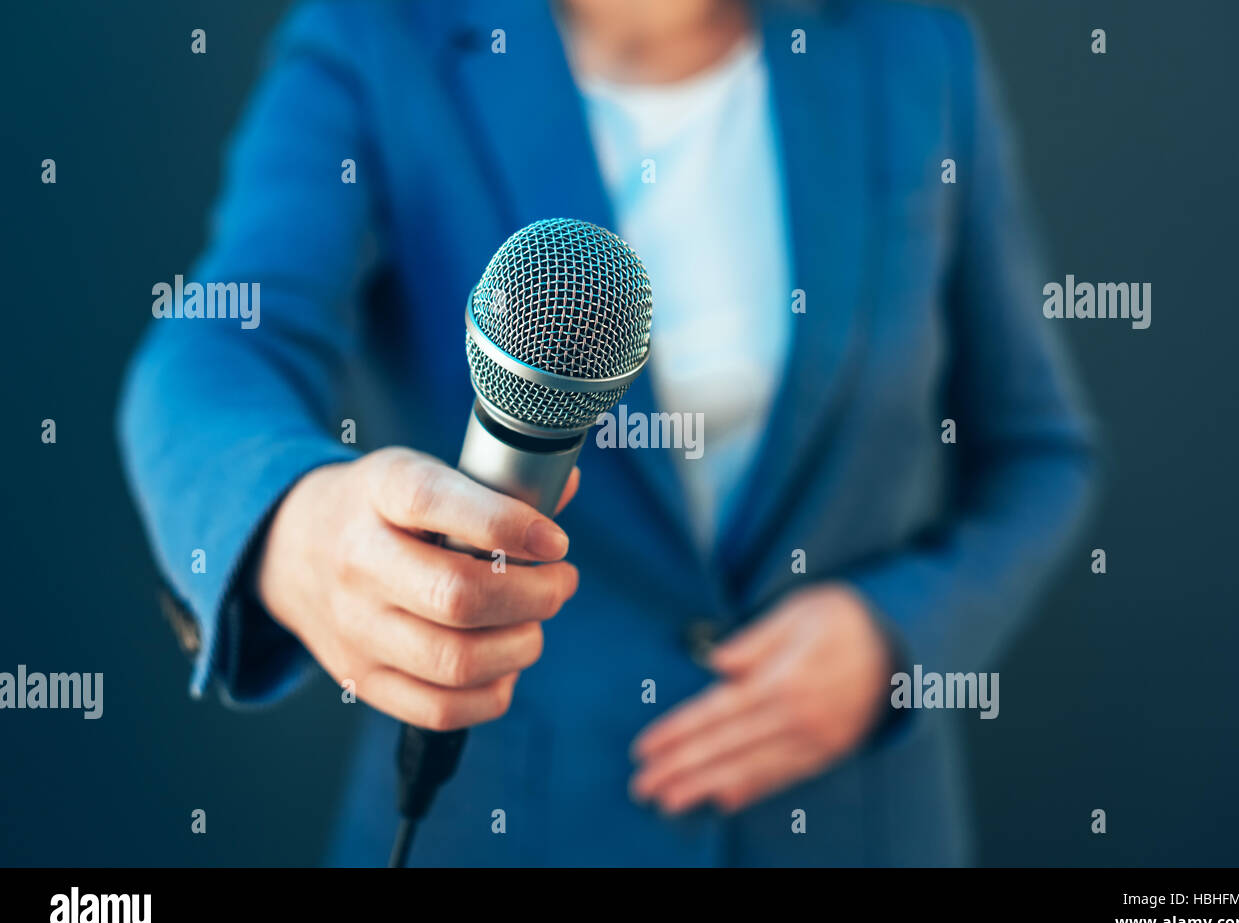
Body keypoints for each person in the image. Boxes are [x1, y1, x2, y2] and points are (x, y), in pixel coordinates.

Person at [118, 0, 1097, 866]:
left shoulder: (915, 54)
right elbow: (214, 349)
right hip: (501, 819)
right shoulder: (378, 39)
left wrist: (900, 639)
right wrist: (291, 523)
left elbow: (1039, 450)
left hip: (850, 826)